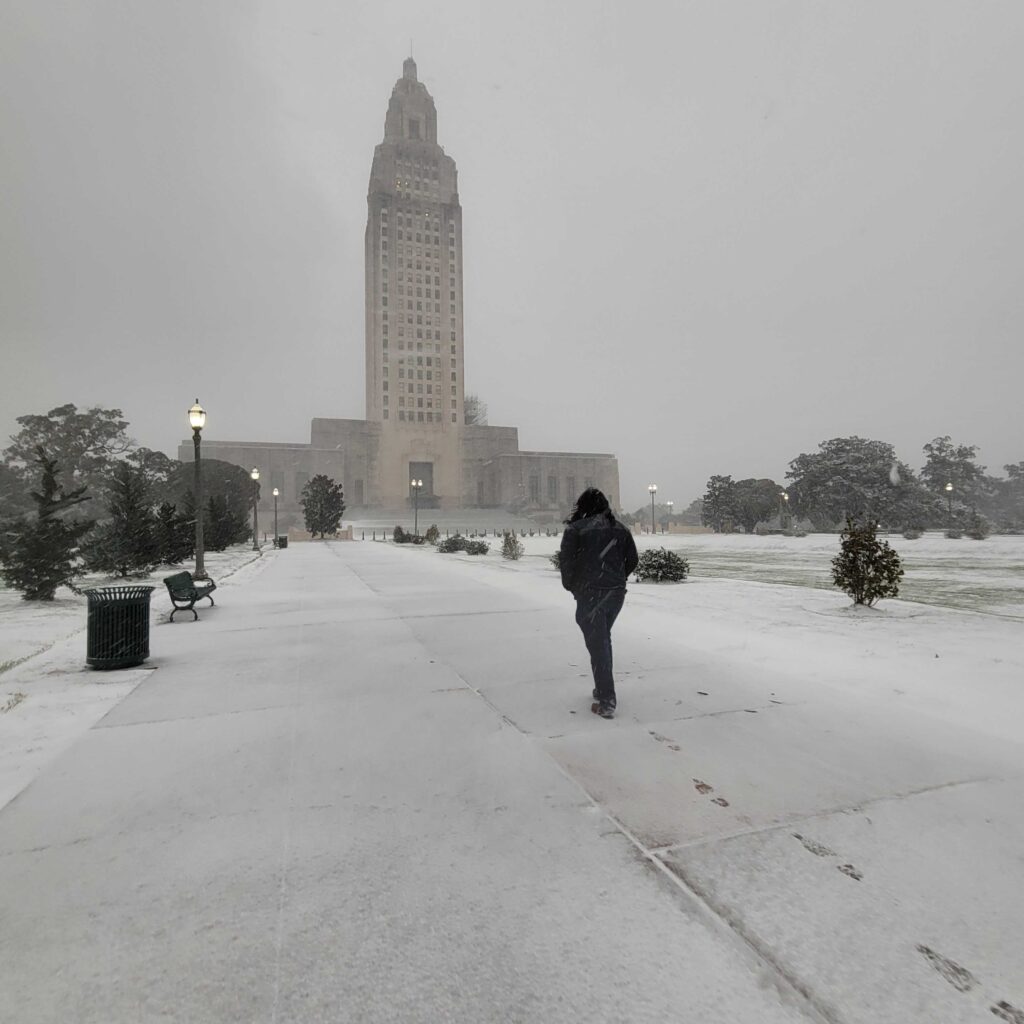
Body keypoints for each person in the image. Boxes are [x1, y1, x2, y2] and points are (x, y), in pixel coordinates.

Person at [559, 488, 638, 719]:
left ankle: (607, 700)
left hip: (591, 593)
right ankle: (602, 687)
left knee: (598, 645)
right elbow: (632, 559)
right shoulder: (620, 529)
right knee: (602, 640)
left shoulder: (576, 530)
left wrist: (573, 587)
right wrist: (617, 578)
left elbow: (566, 563)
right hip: (614, 594)